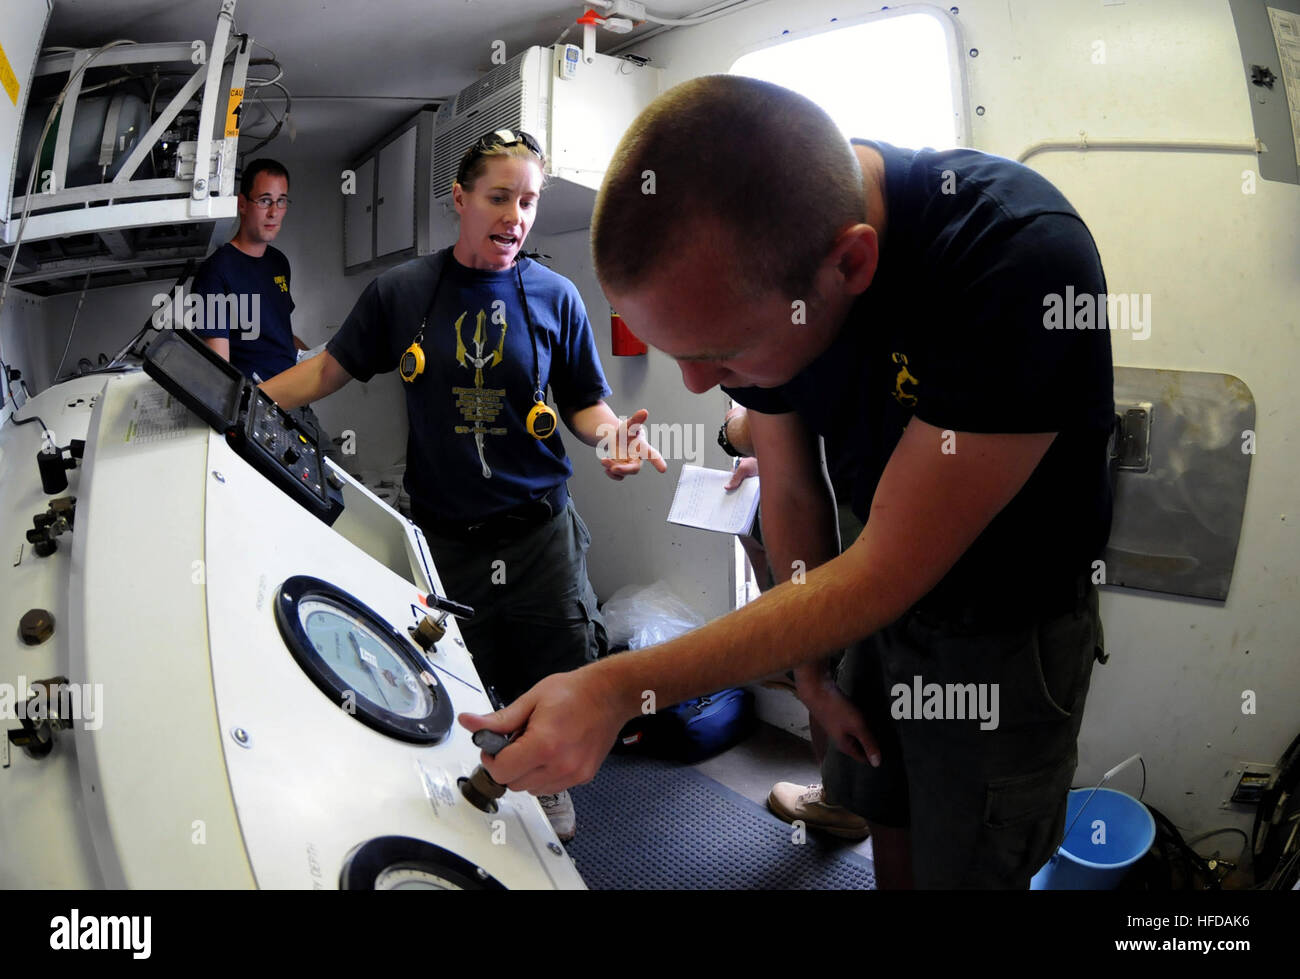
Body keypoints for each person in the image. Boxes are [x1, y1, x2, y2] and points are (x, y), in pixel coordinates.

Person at [460, 76, 1114, 889]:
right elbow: (794, 489)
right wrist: (812, 674)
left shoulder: (1015, 260)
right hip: (867, 590)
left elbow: (881, 571)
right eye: (681, 353)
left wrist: (620, 687)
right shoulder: (772, 261)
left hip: (1003, 620)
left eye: (722, 355)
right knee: (885, 805)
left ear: (852, 262)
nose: (699, 390)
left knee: (971, 858)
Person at [260, 129, 666, 842]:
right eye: (499, 197)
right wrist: (241, 404)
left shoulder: (556, 296)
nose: (516, 216)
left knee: (559, 672)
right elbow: (327, 369)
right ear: (460, 199)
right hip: (447, 540)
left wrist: (612, 437)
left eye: (529, 201)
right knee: (457, 678)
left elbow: (583, 401)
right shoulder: (404, 291)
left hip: (541, 536)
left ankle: (545, 795)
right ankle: (473, 798)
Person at [720, 404, 870, 841]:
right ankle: (849, 795)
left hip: (858, 500)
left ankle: (843, 800)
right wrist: (774, 453)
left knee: (828, 653)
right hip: (859, 482)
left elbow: (768, 416)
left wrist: (736, 431)